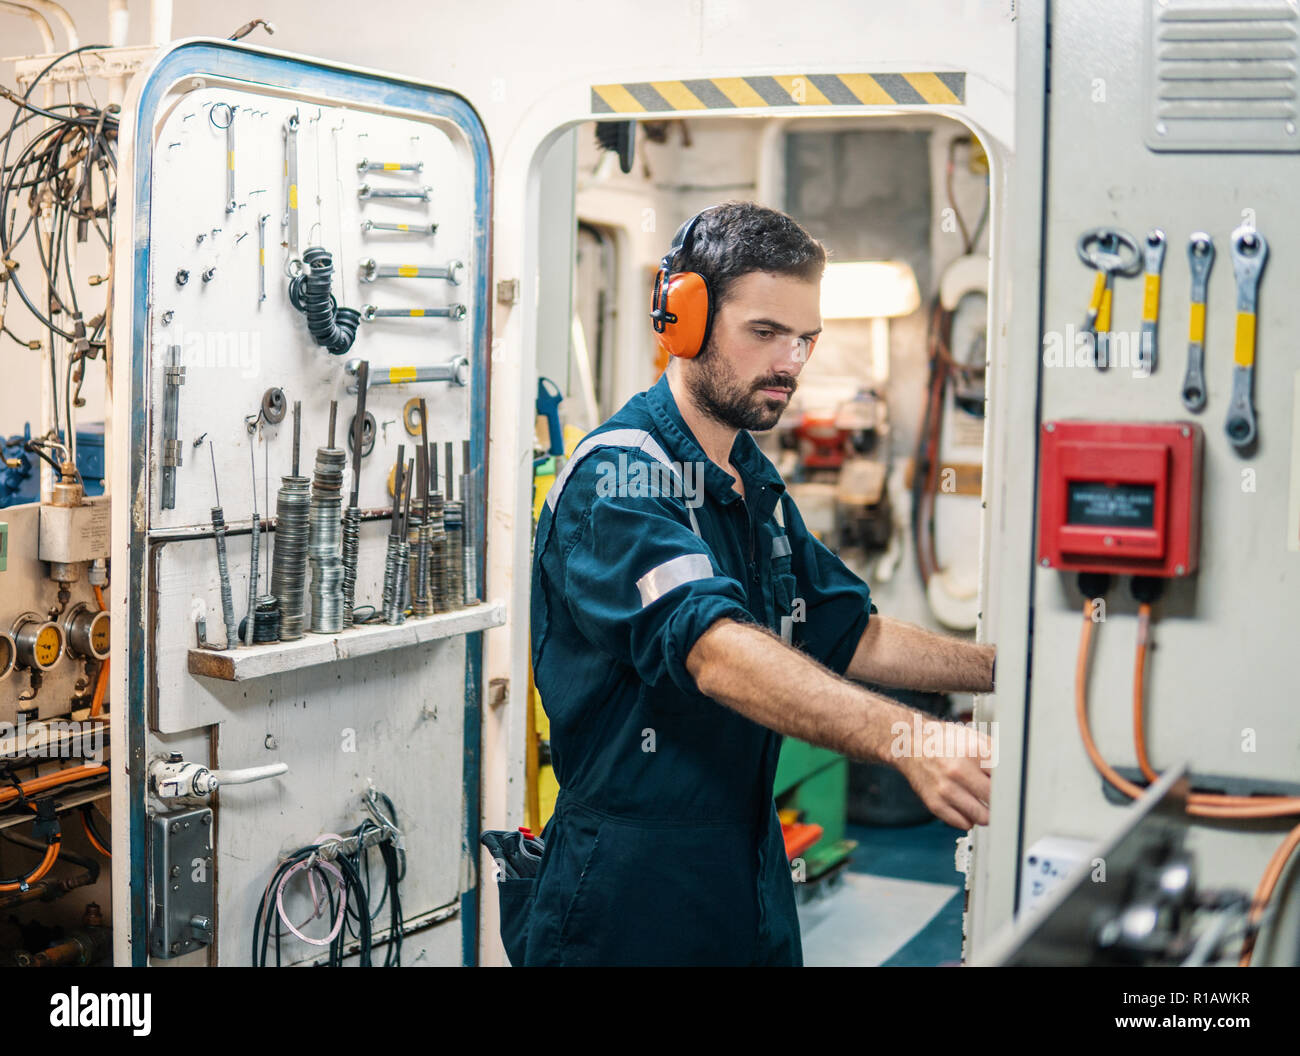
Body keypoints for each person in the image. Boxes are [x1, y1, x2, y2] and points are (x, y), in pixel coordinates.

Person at [516, 201, 995, 967]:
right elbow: (715, 651)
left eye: (805, 339)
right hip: (631, 886)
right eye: (765, 333)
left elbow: (849, 630)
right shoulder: (619, 478)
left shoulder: (749, 479)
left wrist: (1002, 668)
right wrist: (909, 736)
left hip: (749, 864)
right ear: (684, 320)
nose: (791, 363)